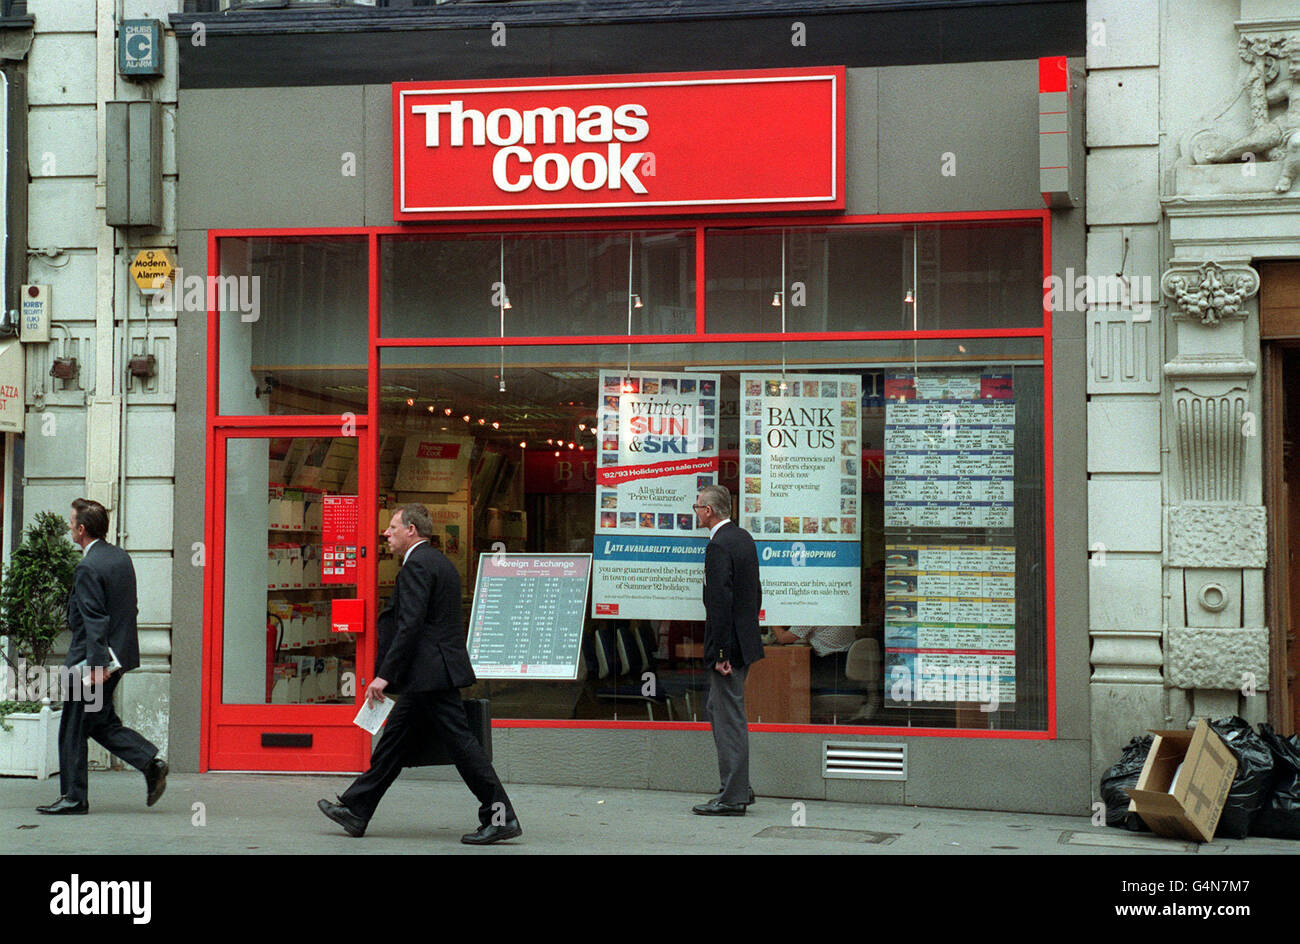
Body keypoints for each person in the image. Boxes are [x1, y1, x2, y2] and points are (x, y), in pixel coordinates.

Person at [317, 503, 520, 844]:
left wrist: (384, 675)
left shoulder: (417, 566)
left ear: (411, 530)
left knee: (462, 744)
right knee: (394, 742)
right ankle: (356, 809)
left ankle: (502, 817)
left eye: (392, 527)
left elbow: (409, 626)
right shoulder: (439, 562)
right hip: (429, 673)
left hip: (430, 674)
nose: (387, 533)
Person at [37, 499, 168, 815]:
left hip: (91, 663)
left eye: (71, 522)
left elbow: (96, 619)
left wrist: (96, 667)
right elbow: (127, 609)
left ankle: (73, 797)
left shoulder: (88, 566)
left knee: (72, 725)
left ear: (81, 530)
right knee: (96, 720)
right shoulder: (119, 557)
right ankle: (150, 763)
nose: (69, 526)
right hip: (118, 656)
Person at [691, 484, 763, 816]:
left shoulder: (718, 546)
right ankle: (738, 786)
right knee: (720, 710)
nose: (696, 512)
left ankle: (733, 795)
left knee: (728, 717)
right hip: (743, 640)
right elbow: (753, 594)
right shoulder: (743, 538)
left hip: (729, 647)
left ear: (709, 511)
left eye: (698, 507)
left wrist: (721, 654)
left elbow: (720, 603)